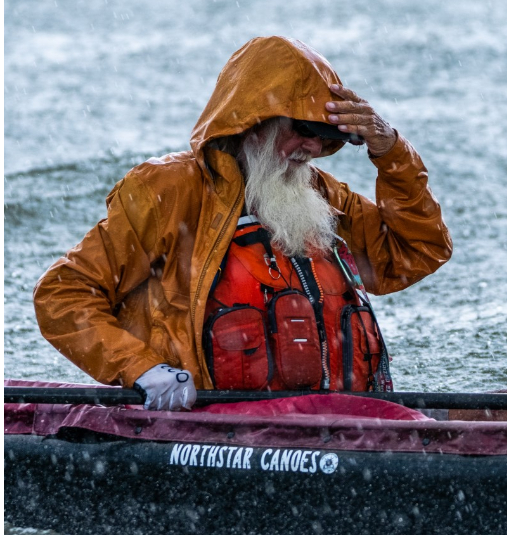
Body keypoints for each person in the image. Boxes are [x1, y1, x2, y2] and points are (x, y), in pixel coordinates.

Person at [34, 36, 452, 410]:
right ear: (253, 123)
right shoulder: (167, 190)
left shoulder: (325, 197)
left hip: (340, 425)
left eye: (328, 136)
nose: (314, 147)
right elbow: (63, 294)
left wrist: (392, 152)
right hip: (213, 428)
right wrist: (141, 370)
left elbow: (417, 251)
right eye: (304, 129)